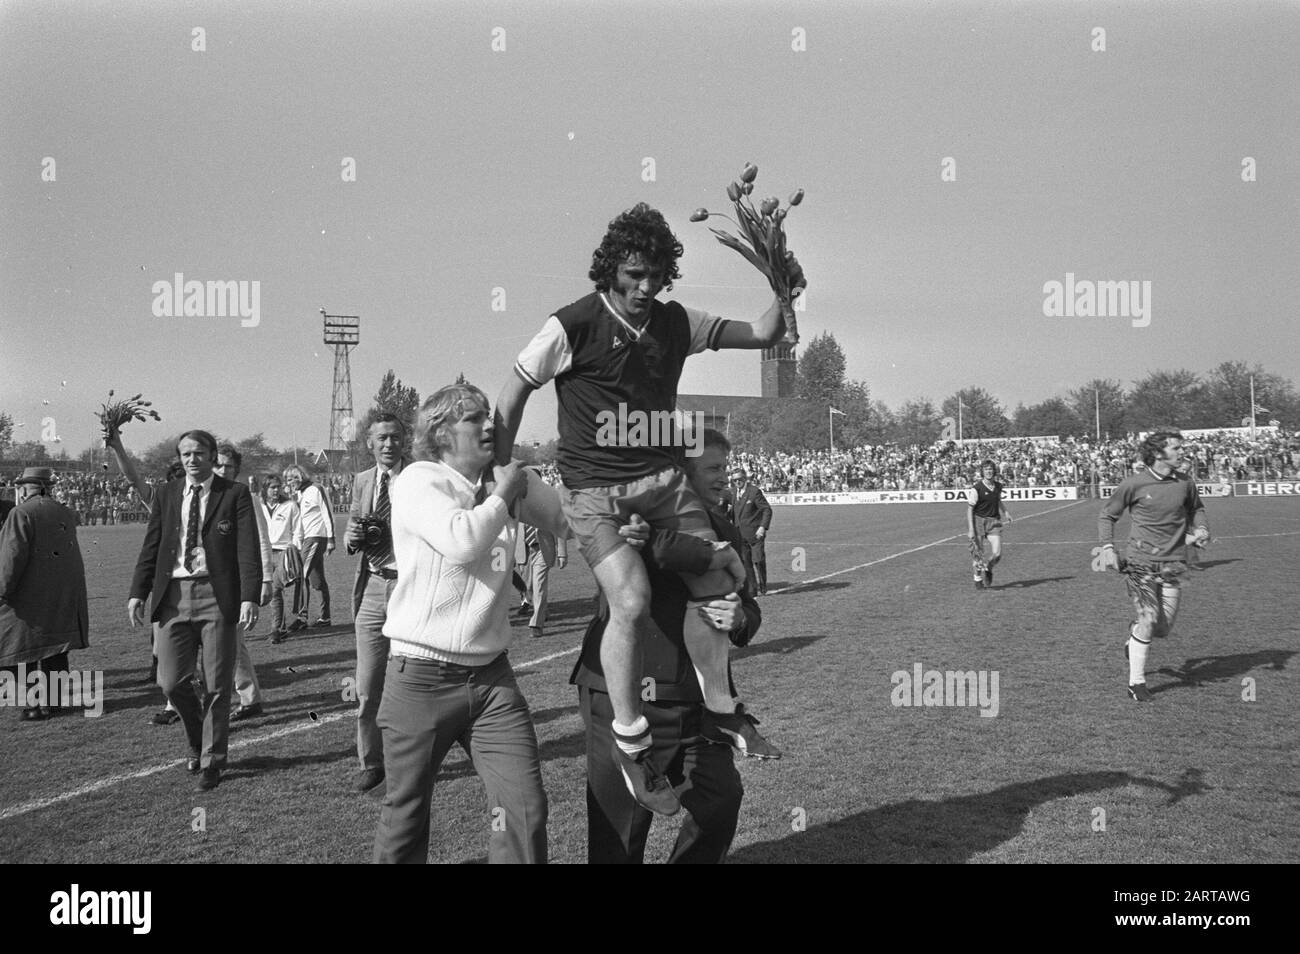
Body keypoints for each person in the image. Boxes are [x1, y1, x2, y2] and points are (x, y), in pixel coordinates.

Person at [494, 202, 799, 815]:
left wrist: (783, 289)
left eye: (656, 276)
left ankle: (721, 710)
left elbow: (764, 335)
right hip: (592, 492)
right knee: (630, 600)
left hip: (661, 480)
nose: (645, 287)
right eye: (634, 274)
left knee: (715, 581)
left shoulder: (677, 321)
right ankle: (630, 738)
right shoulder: (571, 325)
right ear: (610, 269)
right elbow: (515, 388)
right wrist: (502, 469)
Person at [374, 383, 566, 864]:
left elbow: (570, 521)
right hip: (420, 679)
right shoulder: (419, 479)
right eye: (474, 418)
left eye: (490, 417)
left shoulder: (501, 484)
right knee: (406, 815)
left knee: (524, 807)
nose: (489, 426)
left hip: (491, 680)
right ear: (440, 433)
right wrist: (505, 491)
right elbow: (462, 540)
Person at [572, 428, 769, 863]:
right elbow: (653, 555)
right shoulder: (630, 519)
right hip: (621, 698)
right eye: (713, 468)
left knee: (719, 803)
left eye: (726, 467)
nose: (724, 477)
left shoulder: (723, 528)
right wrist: (705, 554)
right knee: (617, 837)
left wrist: (740, 618)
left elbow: (749, 607)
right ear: (680, 472)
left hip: (694, 703)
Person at [127, 430, 262, 791]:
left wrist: (250, 595)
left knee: (218, 684)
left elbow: (248, 549)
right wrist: (138, 591)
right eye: (185, 453)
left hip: (217, 598)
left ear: (212, 455)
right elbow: (152, 544)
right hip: (172, 597)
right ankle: (196, 738)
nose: (191, 459)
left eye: (199, 453)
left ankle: (212, 761)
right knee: (170, 682)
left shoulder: (234, 493)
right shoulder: (169, 494)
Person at [1096, 429, 1209, 702]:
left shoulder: (1185, 483)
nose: (1182, 452)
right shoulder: (1134, 484)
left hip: (1174, 563)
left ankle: (1133, 637)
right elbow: (1107, 515)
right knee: (1148, 619)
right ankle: (1136, 683)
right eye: (1176, 448)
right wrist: (1108, 548)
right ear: (1158, 453)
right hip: (1140, 563)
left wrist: (1202, 528)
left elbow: (1197, 509)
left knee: (1163, 628)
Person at [105, 429, 187, 724]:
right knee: (165, 645)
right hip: (169, 585)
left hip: (203, 585)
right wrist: (118, 447)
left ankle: (239, 697)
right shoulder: (162, 501)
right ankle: (173, 702)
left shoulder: (209, 501)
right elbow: (134, 479)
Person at [345, 412, 409, 793]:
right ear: (369, 443)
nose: (388, 444)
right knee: (368, 685)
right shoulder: (362, 481)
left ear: (405, 441)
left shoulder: (420, 477)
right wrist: (353, 534)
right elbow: (357, 537)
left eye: (395, 437)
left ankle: (414, 758)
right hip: (372, 586)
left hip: (409, 587)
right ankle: (372, 762)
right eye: (381, 438)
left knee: (412, 681)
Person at [0, 467, 89, 721]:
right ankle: (55, 701)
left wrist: (2, 590)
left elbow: (11, 557)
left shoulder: (21, 513)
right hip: (64, 592)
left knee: (22, 648)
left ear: (35, 487)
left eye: (23, 485)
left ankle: (33, 705)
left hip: (30, 595)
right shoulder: (66, 512)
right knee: (55, 648)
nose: (20, 490)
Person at [212, 444, 272, 721]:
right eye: (219, 465)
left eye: (228, 466)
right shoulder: (206, 497)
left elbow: (261, 540)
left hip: (235, 583)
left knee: (229, 644)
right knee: (234, 645)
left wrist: (266, 580)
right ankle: (250, 699)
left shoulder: (246, 497)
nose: (223, 470)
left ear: (236, 469)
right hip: (209, 581)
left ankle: (238, 701)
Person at [283, 464, 334, 627]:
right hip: (307, 539)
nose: (290, 482)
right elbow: (299, 521)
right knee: (317, 580)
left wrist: (331, 539)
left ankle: (301, 618)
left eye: (293, 478)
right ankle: (325, 618)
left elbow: (328, 512)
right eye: (288, 479)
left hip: (316, 537)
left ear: (301, 476)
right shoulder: (300, 494)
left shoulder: (316, 489)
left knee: (301, 575)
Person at [514, 486, 568, 639]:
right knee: (528, 588)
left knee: (539, 586)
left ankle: (536, 624)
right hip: (522, 551)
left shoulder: (546, 504)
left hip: (542, 549)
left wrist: (562, 553)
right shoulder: (515, 503)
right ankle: (544, 611)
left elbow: (559, 525)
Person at [260, 474, 303, 643]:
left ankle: (276, 629)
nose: (276, 490)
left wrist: (294, 547)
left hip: (283, 552)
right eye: (272, 487)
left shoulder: (290, 505)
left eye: (278, 486)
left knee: (276, 589)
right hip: (264, 553)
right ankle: (281, 627)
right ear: (265, 489)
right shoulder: (259, 506)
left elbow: (298, 528)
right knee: (271, 591)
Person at [728, 466, 772, 595]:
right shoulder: (733, 493)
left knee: (758, 561)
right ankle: (752, 589)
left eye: (739, 479)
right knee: (746, 563)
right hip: (740, 535)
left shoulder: (754, 492)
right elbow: (734, 513)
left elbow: (767, 510)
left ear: (745, 478)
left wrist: (762, 527)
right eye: (734, 480)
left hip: (756, 534)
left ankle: (763, 585)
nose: (737, 482)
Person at [967, 459, 1011, 589]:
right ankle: (978, 578)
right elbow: (969, 509)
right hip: (979, 521)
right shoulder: (977, 489)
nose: (989, 471)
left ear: (994, 471)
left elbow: (998, 500)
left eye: (991, 469)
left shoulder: (998, 486)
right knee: (978, 554)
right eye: (986, 469)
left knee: (997, 554)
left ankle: (988, 569)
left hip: (994, 521)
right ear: (982, 472)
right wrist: (971, 528)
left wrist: (1006, 512)